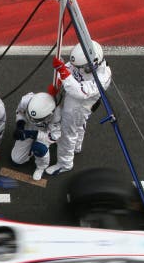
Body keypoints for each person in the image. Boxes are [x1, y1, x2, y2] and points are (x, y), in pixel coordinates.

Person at [45, 40, 112, 176]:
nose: (78, 69)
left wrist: (63, 73)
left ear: (93, 64)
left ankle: (65, 164)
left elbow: (80, 92)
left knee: (67, 133)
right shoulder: (83, 62)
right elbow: (70, 68)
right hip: (72, 98)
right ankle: (76, 146)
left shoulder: (102, 77)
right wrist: (58, 82)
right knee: (79, 126)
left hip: (80, 105)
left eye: (82, 67)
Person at [10, 92, 61, 181]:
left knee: (40, 147)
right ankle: (30, 150)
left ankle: (41, 167)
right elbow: (20, 112)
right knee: (16, 160)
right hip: (29, 126)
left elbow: (52, 137)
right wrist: (20, 126)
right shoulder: (25, 100)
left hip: (45, 132)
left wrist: (30, 134)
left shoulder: (57, 116)